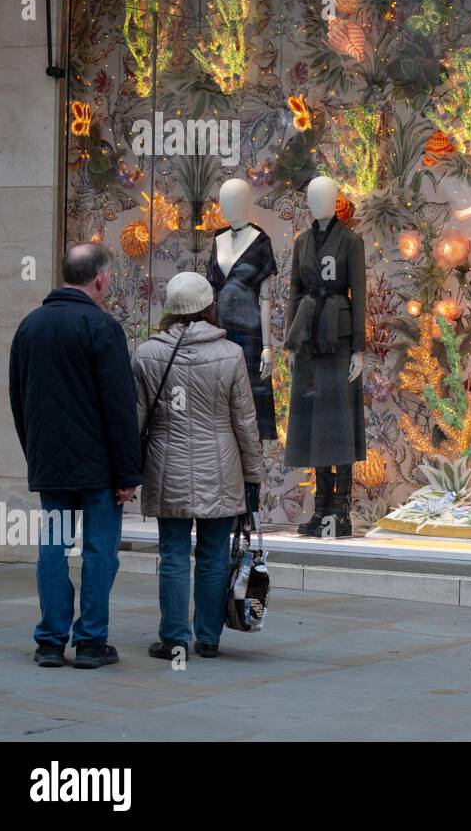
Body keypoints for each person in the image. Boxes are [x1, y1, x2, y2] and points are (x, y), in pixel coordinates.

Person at [9, 243, 142, 669]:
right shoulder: (102, 328)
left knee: (52, 546)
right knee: (100, 551)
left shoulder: (29, 327)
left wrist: (35, 451)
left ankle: (49, 641)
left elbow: (18, 398)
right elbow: (120, 407)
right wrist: (127, 472)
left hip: (51, 465)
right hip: (99, 469)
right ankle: (90, 642)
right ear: (100, 279)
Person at [133, 272, 263, 659]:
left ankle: (174, 638)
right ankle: (208, 638)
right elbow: (245, 421)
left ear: (170, 308)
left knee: (172, 552)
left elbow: (136, 419)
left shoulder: (147, 354)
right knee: (213, 553)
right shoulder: (230, 354)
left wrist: (125, 472)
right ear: (210, 305)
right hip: (221, 468)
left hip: (165, 463)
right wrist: (253, 475)